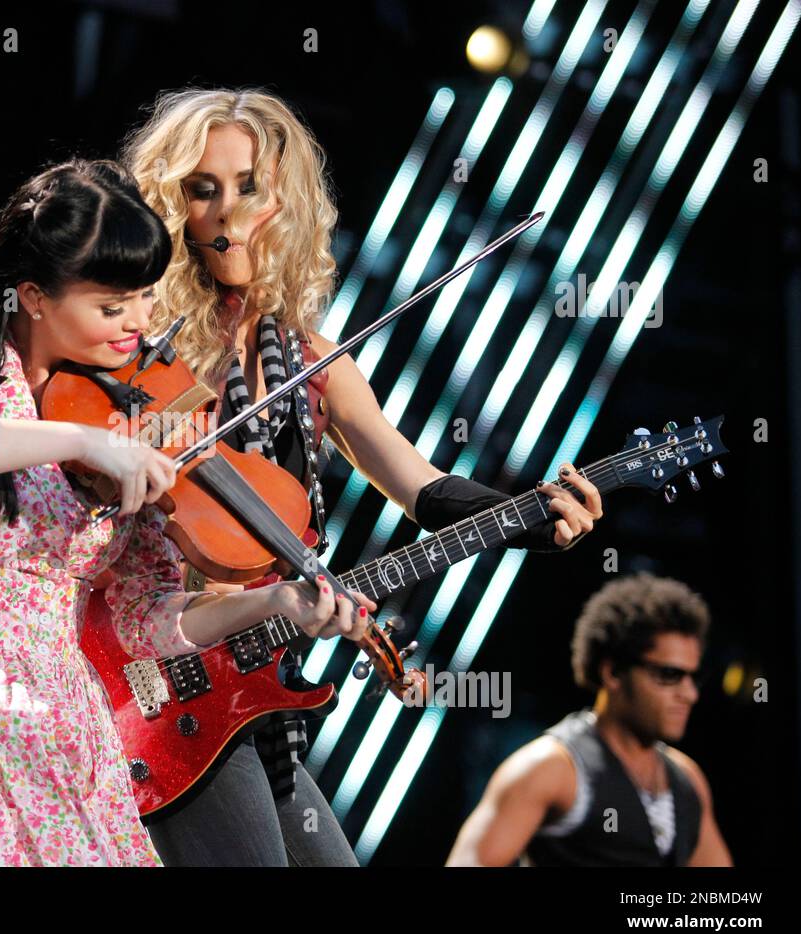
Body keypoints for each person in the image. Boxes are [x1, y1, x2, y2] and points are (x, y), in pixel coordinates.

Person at [0, 158, 378, 866]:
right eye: (111, 308)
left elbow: (149, 619)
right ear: (34, 297)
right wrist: (81, 440)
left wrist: (278, 602)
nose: (138, 326)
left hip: (61, 710)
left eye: (145, 300)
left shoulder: (140, 410)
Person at [122, 87, 605, 866]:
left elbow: (421, 486)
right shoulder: (143, 358)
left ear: (284, 204)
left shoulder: (315, 363)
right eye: (201, 190)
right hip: (168, 685)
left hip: (258, 695)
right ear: (171, 209)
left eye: (249, 187)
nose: (225, 213)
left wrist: (529, 516)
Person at [447, 573, 732, 866]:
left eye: (693, 677)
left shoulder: (687, 779)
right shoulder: (549, 768)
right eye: (669, 675)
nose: (689, 694)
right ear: (613, 673)